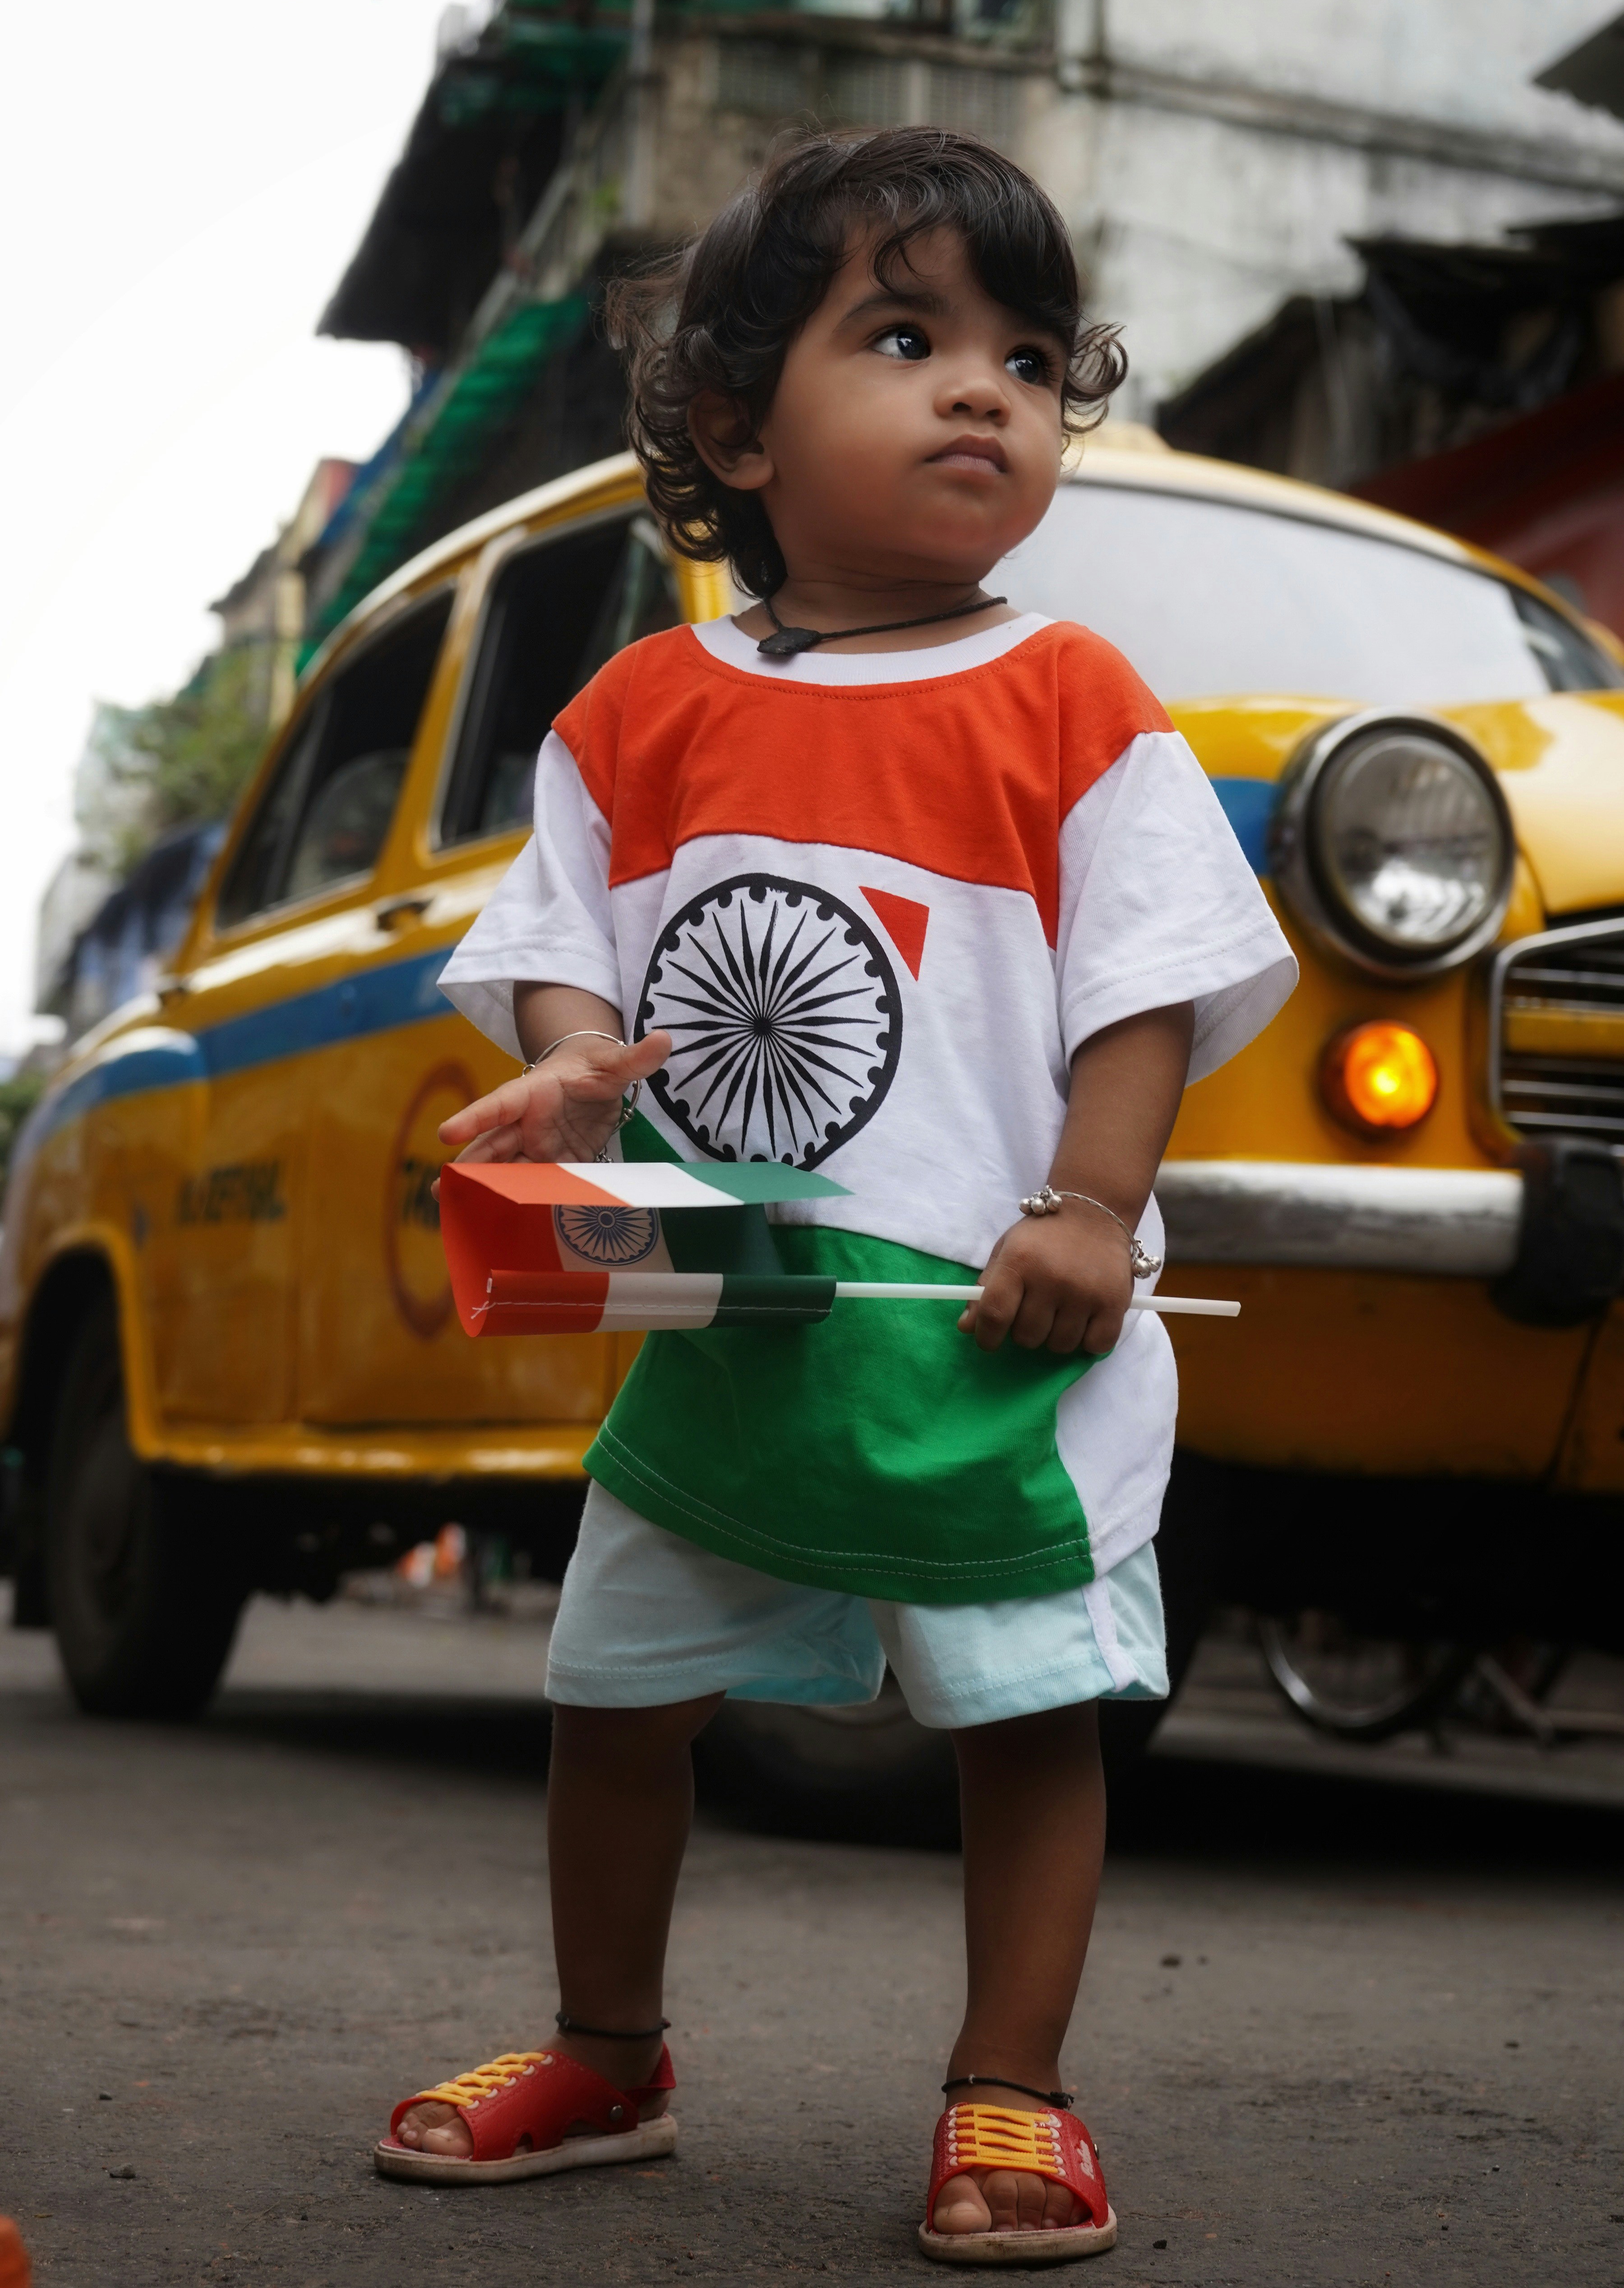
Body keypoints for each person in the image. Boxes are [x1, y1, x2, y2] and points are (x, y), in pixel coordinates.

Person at [373, 126, 1296, 2262]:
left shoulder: (1075, 705)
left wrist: (1089, 1204)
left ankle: (1012, 2096)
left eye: (1029, 353)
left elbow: (1146, 988)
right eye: (908, 335)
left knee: (1026, 1708)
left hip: (991, 1323)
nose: (986, 386)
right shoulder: (642, 708)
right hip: (722, 1311)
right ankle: (606, 2052)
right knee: (613, 1694)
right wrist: (565, 1069)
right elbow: (558, 944)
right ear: (731, 424)